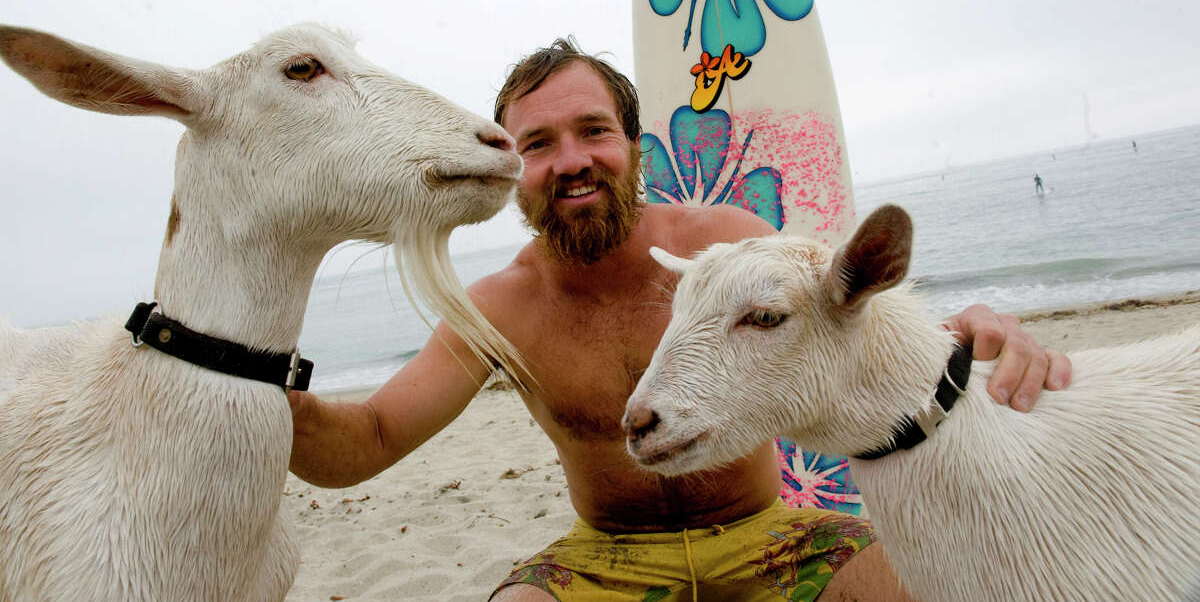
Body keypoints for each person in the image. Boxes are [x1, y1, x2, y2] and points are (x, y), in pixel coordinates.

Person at [289, 38, 1072, 601]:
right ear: (511, 171)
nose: (571, 160)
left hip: (773, 535)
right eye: (538, 144)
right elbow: (369, 442)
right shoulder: (497, 307)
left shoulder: (727, 241)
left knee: (916, 585)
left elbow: (853, 316)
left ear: (634, 145)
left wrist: (971, 330)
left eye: (594, 130)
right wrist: (260, 389)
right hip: (605, 560)